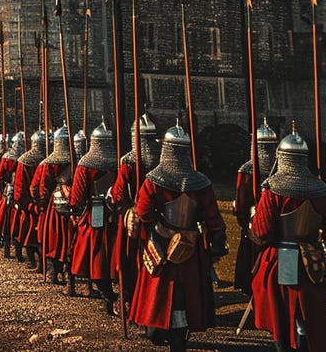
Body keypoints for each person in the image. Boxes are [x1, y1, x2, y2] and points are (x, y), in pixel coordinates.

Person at [250, 124, 326, 352]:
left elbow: (262, 233)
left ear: (282, 158)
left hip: (283, 257)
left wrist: (254, 228)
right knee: (310, 309)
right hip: (312, 260)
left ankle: (287, 342)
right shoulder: (322, 190)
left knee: (284, 308)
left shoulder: (273, 189)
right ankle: (303, 337)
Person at [129, 123, 226, 351]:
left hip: (162, 244)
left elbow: (142, 212)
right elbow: (213, 218)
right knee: (187, 289)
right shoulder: (200, 182)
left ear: (166, 149)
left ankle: (160, 329)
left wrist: (152, 222)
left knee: (160, 291)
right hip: (191, 246)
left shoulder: (154, 180)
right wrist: (216, 245)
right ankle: (176, 334)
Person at [110, 115, 160, 307]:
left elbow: (119, 194)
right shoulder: (164, 159)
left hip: (136, 219)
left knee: (130, 260)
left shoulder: (128, 162)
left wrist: (118, 204)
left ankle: (130, 297)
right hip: (161, 218)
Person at [69, 122, 118, 313]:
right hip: (117, 215)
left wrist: (75, 209)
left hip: (96, 215)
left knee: (97, 257)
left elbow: (79, 195)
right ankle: (114, 296)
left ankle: (109, 296)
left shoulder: (86, 164)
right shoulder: (119, 160)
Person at [234, 119, 278, 295]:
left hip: (257, 224)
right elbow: (243, 201)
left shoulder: (280, 170)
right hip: (256, 223)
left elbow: (240, 205)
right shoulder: (249, 170)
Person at [33, 127, 75, 290]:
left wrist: (42, 206)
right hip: (69, 206)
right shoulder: (75, 161)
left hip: (55, 206)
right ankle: (65, 275)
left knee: (55, 241)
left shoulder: (49, 164)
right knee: (68, 241)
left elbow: (43, 186)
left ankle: (55, 273)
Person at [13, 131, 46, 271]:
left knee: (29, 233)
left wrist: (19, 201)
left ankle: (36, 262)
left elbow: (20, 185)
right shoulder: (47, 159)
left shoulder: (24, 160)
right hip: (42, 204)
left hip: (29, 203)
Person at [0, 133, 24, 257]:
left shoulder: (10, 157)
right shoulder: (23, 158)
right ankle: (11, 249)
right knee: (9, 222)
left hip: (10, 191)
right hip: (13, 192)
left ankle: (10, 248)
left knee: (7, 223)